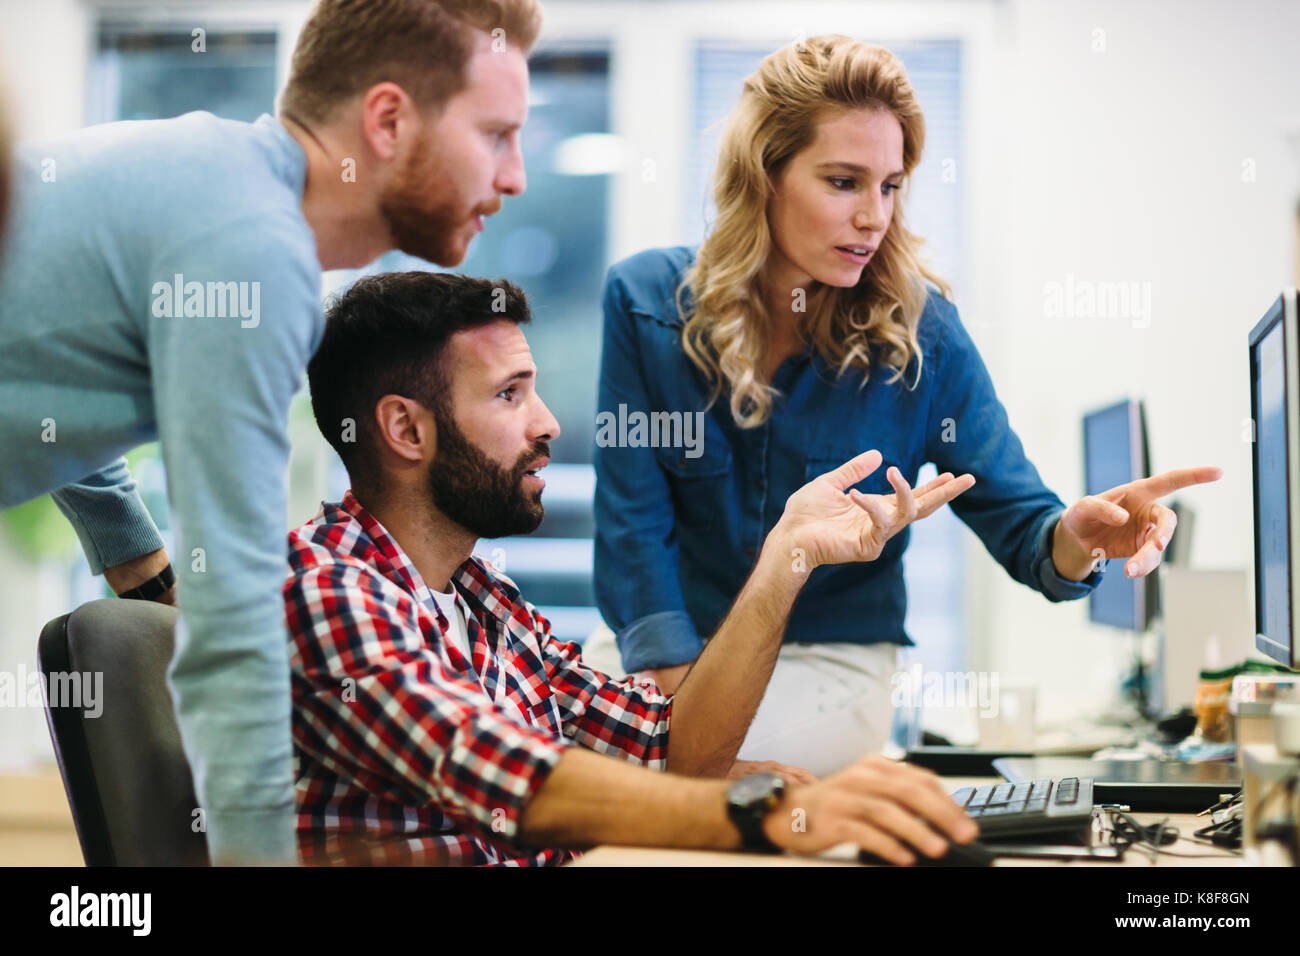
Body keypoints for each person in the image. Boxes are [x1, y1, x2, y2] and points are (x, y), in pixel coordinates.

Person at [0, 0, 541, 864]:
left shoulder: (216, 178)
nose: (514, 176)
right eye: (496, 135)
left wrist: (141, 571)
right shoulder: (254, 249)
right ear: (389, 120)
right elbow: (237, 623)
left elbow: (48, 347)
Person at [589, 35, 1221, 775]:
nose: (873, 216)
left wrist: (1081, 536)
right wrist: (686, 731)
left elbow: (1024, 526)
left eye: (889, 185)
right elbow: (633, 533)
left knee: (644, 774)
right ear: (764, 176)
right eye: (843, 182)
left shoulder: (926, 336)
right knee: (603, 759)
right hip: (667, 654)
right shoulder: (643, 304)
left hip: (829, 663)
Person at [287, 270, 977, 865]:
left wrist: (787, 556)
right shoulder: (319, 591)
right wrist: (762, 817)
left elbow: (672, 749)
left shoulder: (485, 602)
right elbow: (500, 774)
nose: (549, 423)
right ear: (406, 430)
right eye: (509, 395)